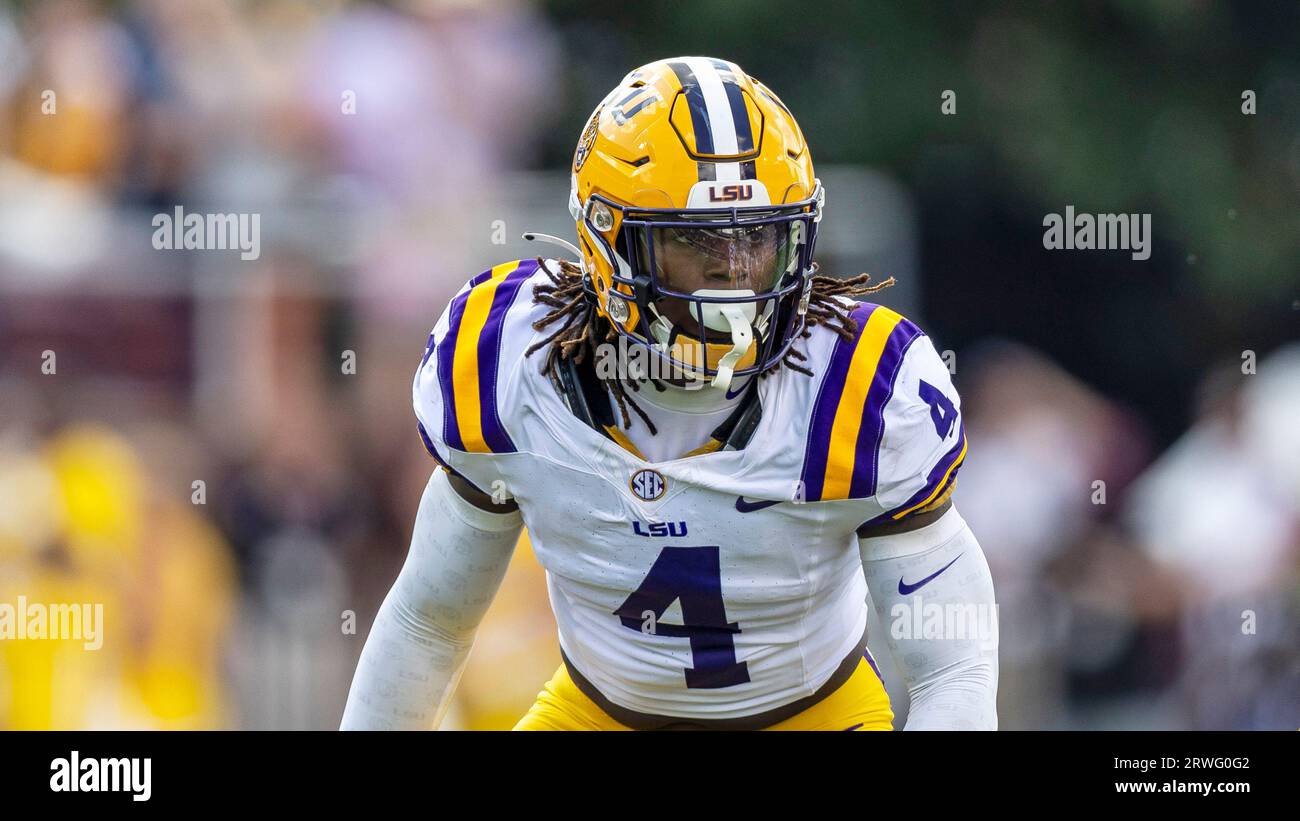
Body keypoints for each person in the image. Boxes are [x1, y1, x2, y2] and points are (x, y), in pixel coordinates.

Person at [341, 57, 998, 730]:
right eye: (694, 238)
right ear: (606, 241)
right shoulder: (511, 360)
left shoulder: (860, 387)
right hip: (598, 714)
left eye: (757, 235)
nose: (736, 272)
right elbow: (428, 623)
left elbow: (953, 667)